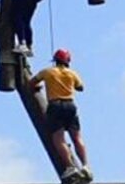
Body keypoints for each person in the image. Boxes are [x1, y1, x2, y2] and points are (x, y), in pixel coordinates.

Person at [28, 48, 88, 176]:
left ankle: (70, 167)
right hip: (70, 105)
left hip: (55, 106)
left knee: (58, 139)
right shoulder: (72, 73)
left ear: (55, 61)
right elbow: (80, 87)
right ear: (68, 61)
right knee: (77, 138)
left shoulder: (48, 72)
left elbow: (31, 83)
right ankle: (85, 166)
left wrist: (38, 87)